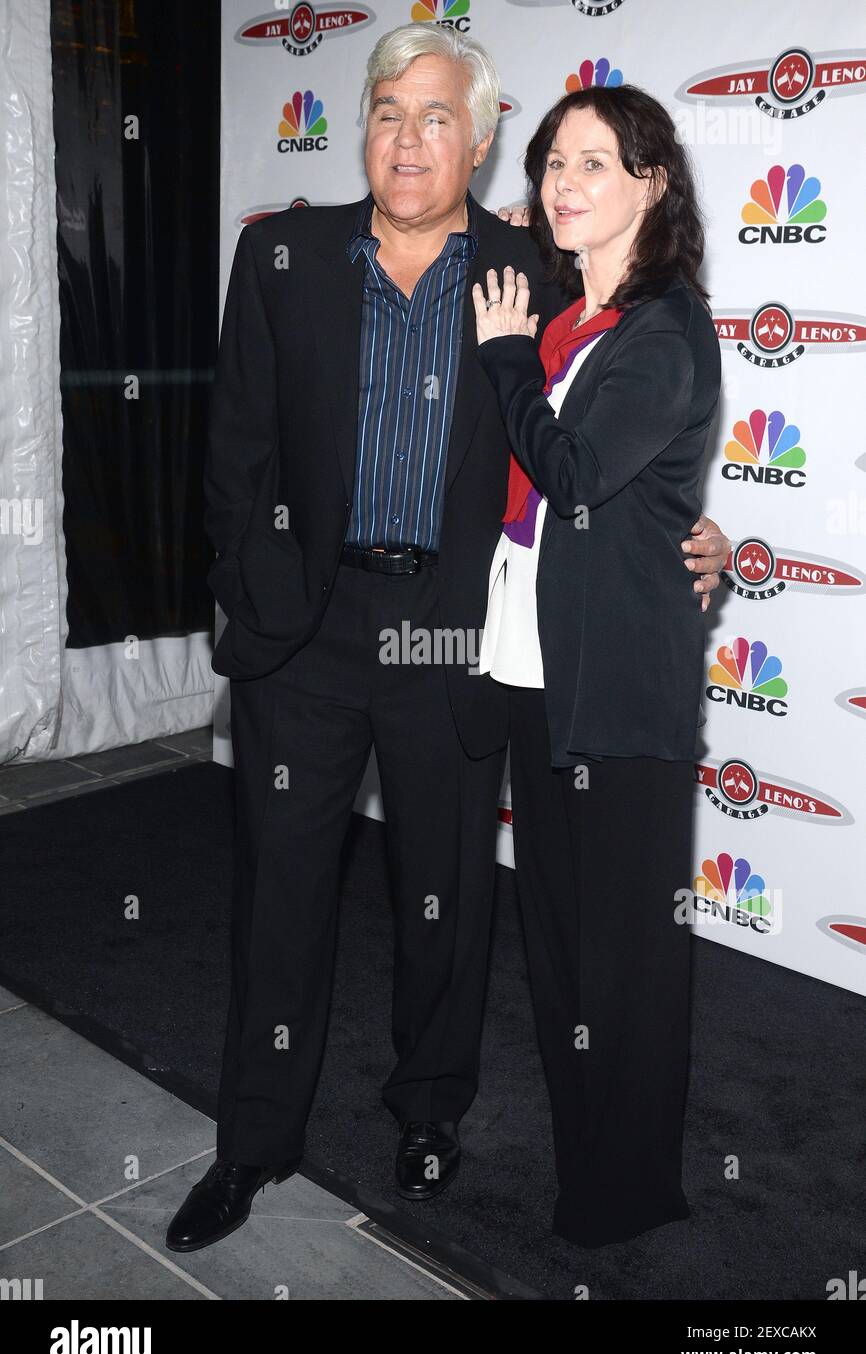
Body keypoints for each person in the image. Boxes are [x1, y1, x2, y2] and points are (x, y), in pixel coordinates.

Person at [166, 26, 727, 1254]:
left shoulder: (540, 261)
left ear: (479, 144)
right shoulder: (279, 256)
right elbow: (233, 453)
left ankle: (430, 1111)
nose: (405, 139)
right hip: (306, 635)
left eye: (435, 118)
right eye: (384, 112)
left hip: (450, 632)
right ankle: (251, 1143)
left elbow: (618, 411)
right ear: (358, 126)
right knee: (279, 900)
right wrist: (247, 598)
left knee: (445, 901)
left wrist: (701, 532)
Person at [473, 82, 722, 1247]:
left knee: (623, 959)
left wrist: (508, 356)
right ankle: (585, 1157)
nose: (561, 184)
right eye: (549, 163)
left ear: (650, 184)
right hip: (533, 666)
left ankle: (627, 1192)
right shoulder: (565, 318)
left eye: (591, 163)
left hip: (618, 685)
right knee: (560, 943)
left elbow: (572, 474)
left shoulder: (663, 329)